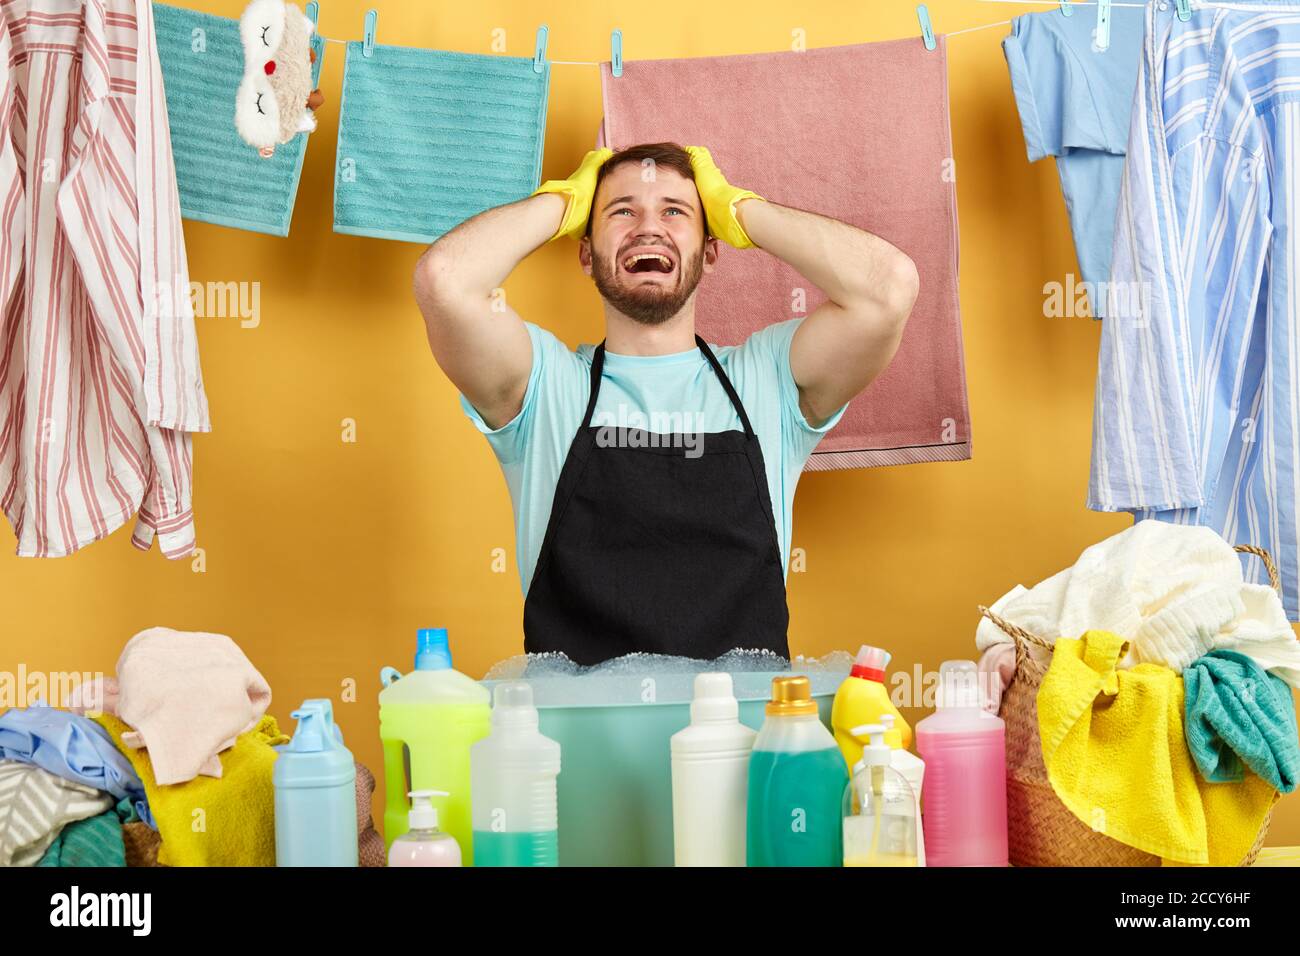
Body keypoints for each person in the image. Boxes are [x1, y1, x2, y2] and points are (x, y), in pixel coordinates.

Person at [413, 142, 918, 665]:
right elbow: (444, 282)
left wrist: (741, 210)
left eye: (675, 212)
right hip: (573, 743)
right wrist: (562, 203)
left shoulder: (766, 379)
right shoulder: (543, 387)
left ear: (712, 250)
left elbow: (889, 289)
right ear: (586, 253)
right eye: (622, 211)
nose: (648, 229)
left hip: (745, 740)